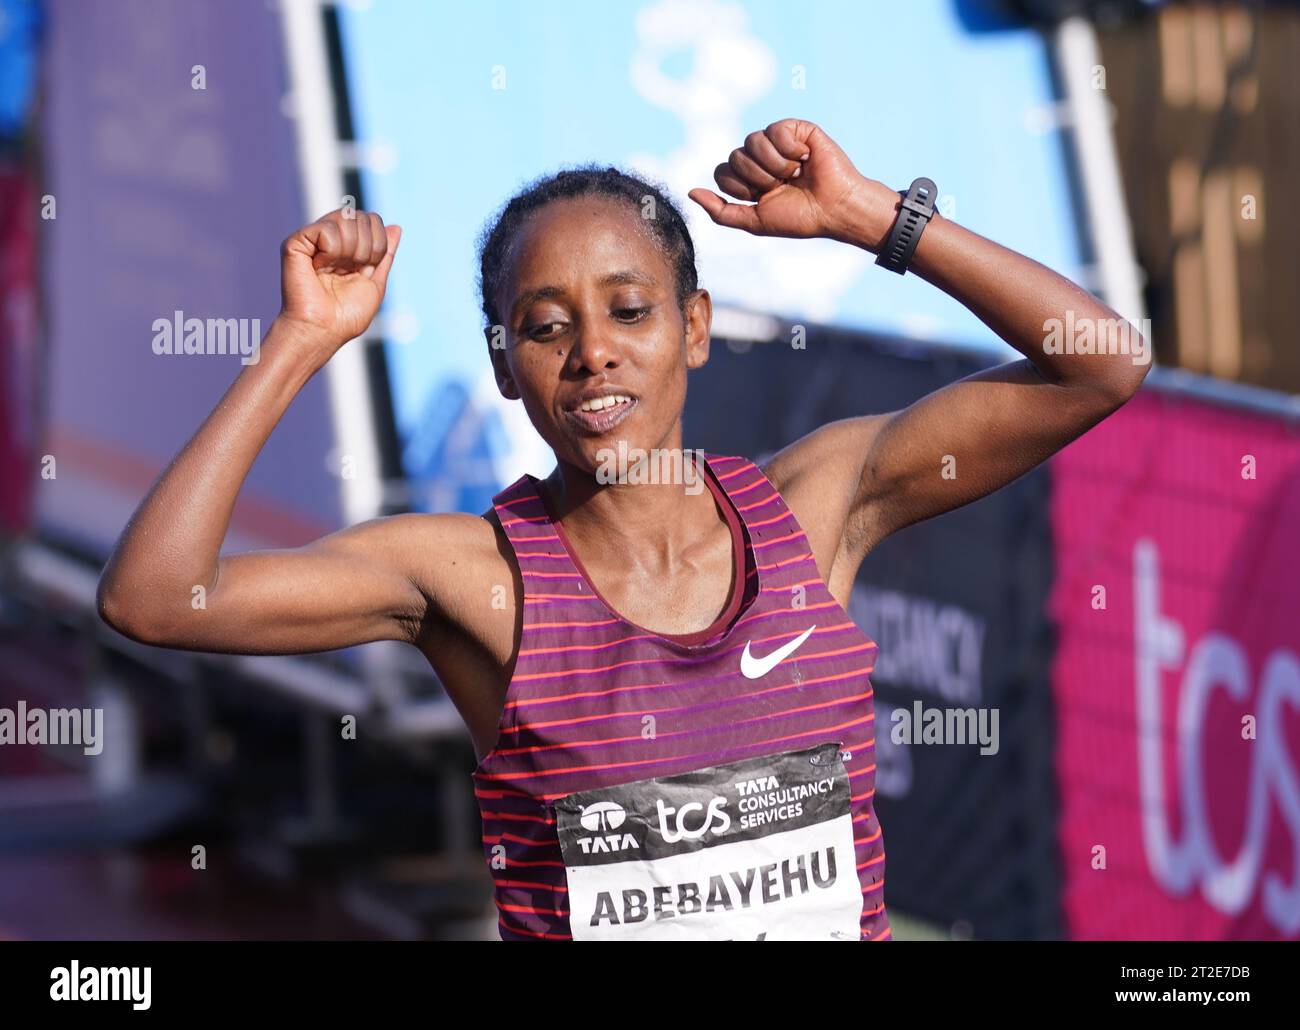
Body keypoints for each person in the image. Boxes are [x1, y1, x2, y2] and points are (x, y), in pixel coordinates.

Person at [97, 119, 1149, 940]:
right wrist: (301, 337)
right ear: (506, 365)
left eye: (630, 311)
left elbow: (1101, 360)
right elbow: (153, 597)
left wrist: (875, 216)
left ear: (694, 328)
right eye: (547, 327)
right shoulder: (472, 579)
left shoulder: (812, 507)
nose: (592, 353)